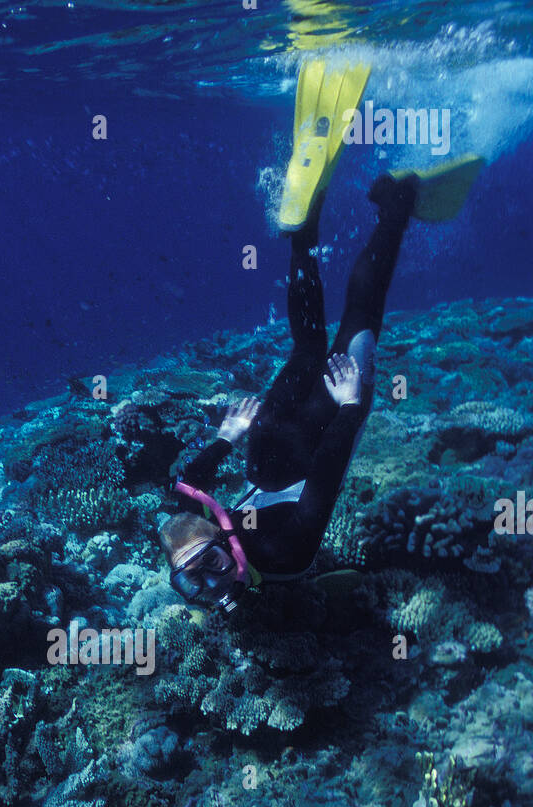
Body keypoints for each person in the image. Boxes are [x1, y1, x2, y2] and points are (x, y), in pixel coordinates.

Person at [160, 58, 484, 616]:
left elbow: (328, 477)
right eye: (197, 588)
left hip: (317, 434)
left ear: (213, 550)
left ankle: (397, 205)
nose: (216, 587)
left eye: (207, 571)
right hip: (265, 440)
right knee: (308, 344)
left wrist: (350, 408)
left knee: (361, 319)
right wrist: (231, 435)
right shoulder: (210, 531)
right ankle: (302, 227)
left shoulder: (285, 554)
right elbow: (182, 486)